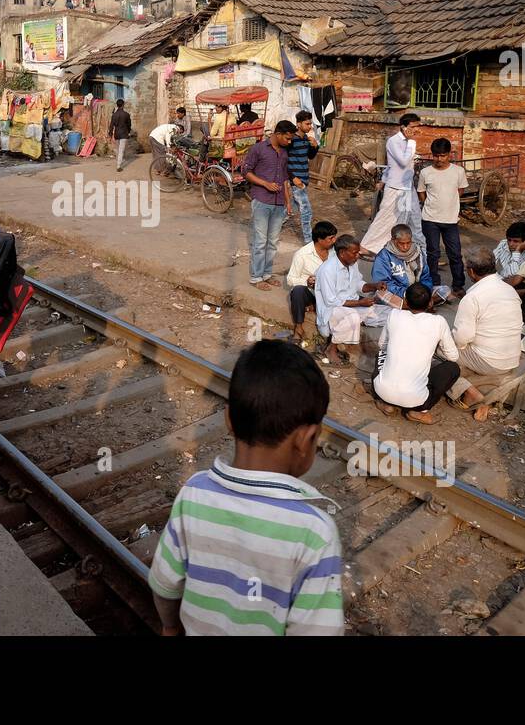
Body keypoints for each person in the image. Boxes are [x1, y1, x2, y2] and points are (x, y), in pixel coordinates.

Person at [148, 339, 343, 636]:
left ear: (229, 420)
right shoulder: (315, 532)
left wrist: (171, 627)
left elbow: (165, 584)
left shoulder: (194, 493)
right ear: (306, 439)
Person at [446, 248, 522, 420]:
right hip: (511, 359)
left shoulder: (472, 298)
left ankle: (468, 391)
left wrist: (455, 347)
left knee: (436, 350)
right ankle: (485, 397)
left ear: (471, 272)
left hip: (489, 361)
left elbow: (462, 338)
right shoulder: (509, 290)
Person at [373, 283, 461, 425]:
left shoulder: (394, 314)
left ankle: (386, 404)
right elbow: (453, 357)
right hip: (416, 401)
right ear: (431, 302)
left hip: (382, 392)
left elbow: (382, 345)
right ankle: (419, 411)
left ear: (405, 301)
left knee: (381, 355)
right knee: (453, 368)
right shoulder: (438, 322)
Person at [242, 120, 296, 290]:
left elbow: (285, 179)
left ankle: (266, 274)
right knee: (260, 242)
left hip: (279, 203)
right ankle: (256, 278)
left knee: (272, 242)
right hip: (261, 200)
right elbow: (246, 172)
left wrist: (288, 202)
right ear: (278, 134)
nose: (289, 142)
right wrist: (265, 184)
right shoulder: (258, 149)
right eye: (287, 138)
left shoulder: (284, 153)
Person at [360, 112, 421, 258]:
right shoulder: (394, 141)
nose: (416, 130)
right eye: (413, 127)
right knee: (385, 218)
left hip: (405, 187)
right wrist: (412, 144)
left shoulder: (406, 142)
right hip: (395, 188)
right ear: (403, 127)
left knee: (402, 220)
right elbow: (403, 161)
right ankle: (366, 247)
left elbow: (392, 165)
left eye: (417, 127)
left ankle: (396, 249)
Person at [314, 234, 381, 364]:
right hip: (332, 309)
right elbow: (331, 301)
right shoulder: (327, 270)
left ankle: (356, 323)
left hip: (351, 305)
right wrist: (360, 303)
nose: (357, 256)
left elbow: (358, 284)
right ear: (342, 252)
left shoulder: (352, 264)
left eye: (358, 253)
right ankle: (331, 349)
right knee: (353, 317)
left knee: (382, 312)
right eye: (355, 253)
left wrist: (374, 286)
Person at [369, 223, 451, 325]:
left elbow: (426, 276)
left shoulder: (417, 251)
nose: (406, 247)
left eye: (408, 243)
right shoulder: (384, 256)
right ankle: (420, 306)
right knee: (381, 294)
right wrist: (406, 293)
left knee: (445, 290)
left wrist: (424, 292)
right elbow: (383, 283)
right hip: (400, 294)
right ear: (393, 240)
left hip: (419, 292)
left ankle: (416, 305)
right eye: (402, 244)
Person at [417, 137, 468, 299]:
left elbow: (460, 191)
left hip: (451, 220)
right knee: (433, 253)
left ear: (449, 155)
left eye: (443, 156)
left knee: (455, 254)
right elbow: (421, 192)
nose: (439, 159)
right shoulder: (425, 173)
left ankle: (458, 285)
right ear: (432, 155)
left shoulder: (458, 171)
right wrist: (431, 205)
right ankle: (434, 283)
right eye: (436, 156)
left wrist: (449, 204)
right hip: (430, 219)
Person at [285, 220, 338, 345]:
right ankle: (298, 327)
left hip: (331, 291)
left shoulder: (335, 252)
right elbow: (290, 279)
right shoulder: (302, 254)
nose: (334, 241)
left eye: (334, 237)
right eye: (331, 238)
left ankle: (315, 307)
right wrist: (307, 282)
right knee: (297, 291)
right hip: (311, 292)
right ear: (320, 239)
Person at [286, 109, 319, 241]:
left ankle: (273, 226)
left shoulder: (306, 139)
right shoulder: (291, 139)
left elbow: (310, 156)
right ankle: (308, 240)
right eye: (307, 124)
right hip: (296, 180)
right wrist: (292, 177)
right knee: (306, 210)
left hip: (304, 179)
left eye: (310, 124)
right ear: (298, 124)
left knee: (291, 208)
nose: (310, 126)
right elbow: (284, 161)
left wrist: (314, 146)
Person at [493, 222, 525, 287]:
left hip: (515, 288)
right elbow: (491, 261)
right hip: (499, 281)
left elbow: (512, 275)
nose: (511, 244)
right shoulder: (503, 243)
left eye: (516, 241)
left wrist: (517, 251)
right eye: (509, 240)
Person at [109, 98, 131, 172]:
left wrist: (110, 134)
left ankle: (118, 162)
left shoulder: (114, 115)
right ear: (123, 105)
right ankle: (118, 166)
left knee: (118, 149)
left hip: (117, 134)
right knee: (121, 150)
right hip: (124, 134)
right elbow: (129, 125)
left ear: (117, 105)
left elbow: (111, 126)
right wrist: (128, 131)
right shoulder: (126, 114)